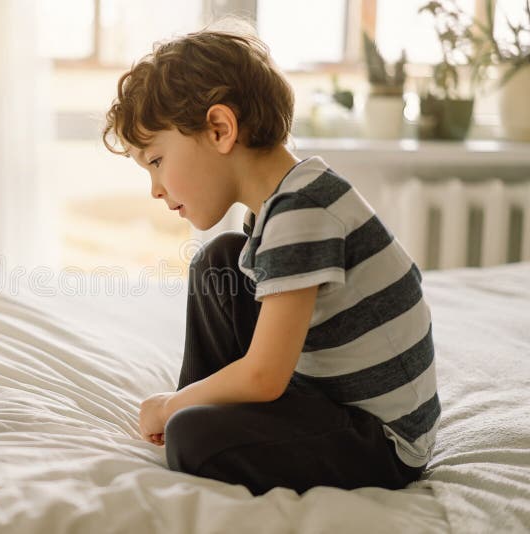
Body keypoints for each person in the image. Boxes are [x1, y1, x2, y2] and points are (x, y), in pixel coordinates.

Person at [101, 18, 439, 497]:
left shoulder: (303, 210)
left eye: (156, 161)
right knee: (219, 261)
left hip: (379, 440)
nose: (155, 189)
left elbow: (263, 377)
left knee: (191, 438)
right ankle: (198, 408)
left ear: (220, 129)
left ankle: (190, 414)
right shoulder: (282, 205)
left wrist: (172, 407)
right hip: (322, 395)